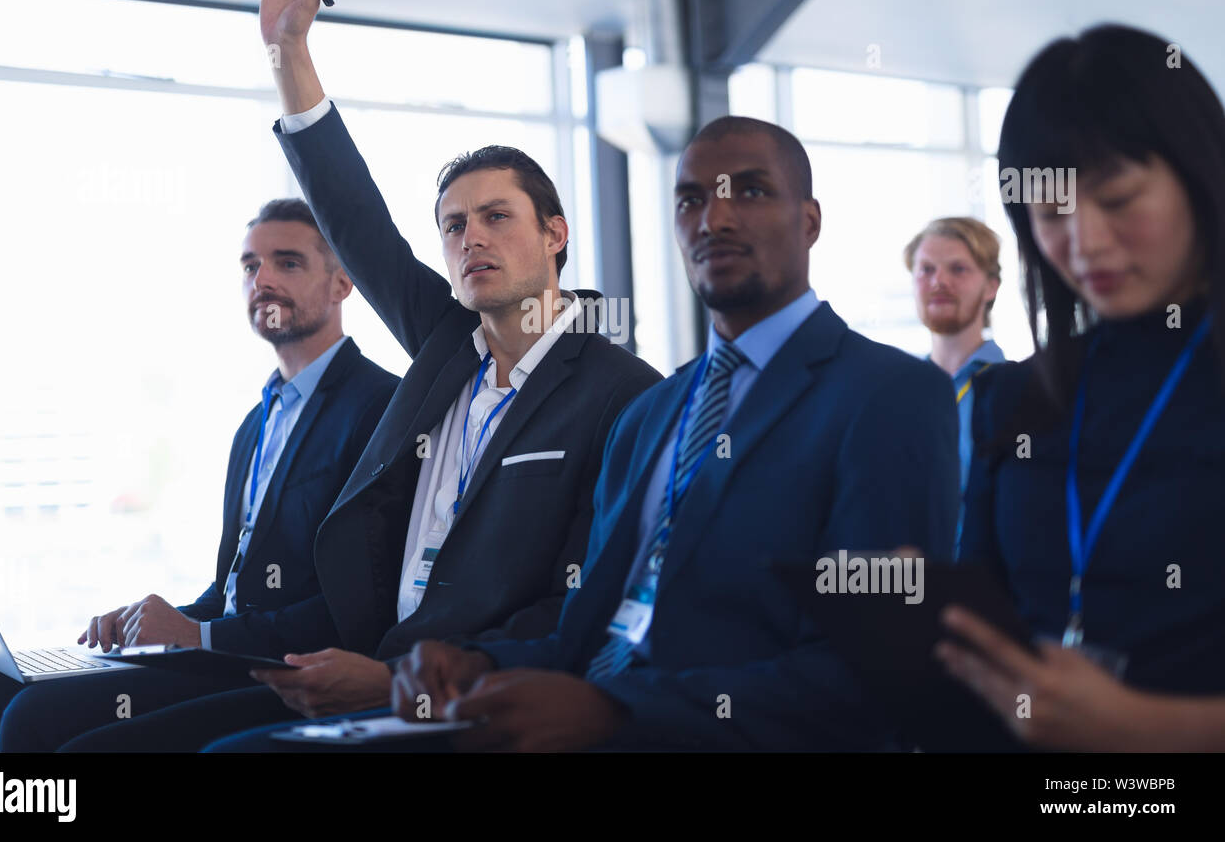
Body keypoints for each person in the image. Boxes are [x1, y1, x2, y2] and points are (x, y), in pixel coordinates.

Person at [52, 0, 661, 752]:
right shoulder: (447, 348)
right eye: (453, 226)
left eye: (496, 217)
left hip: (461, 696)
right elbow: (358, 220)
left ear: (555, 232)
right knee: (72, 736)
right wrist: (287, 52)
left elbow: (585, 604)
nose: (470, 239)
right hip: (352, 666)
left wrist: (406, 679)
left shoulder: (621, 391)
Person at [207, 112, 961, 753]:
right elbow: (584, 627)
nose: (715, 218)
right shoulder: (659, 417)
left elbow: (877, 676)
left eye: (749, 192)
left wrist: (612, 712)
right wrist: (465, 668)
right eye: (690, 199)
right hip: (549, 710)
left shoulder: (888, 396)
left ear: (810, 221)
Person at [0, 198, 399, 752]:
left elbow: (357, 606)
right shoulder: (257, 423)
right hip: (223, 649)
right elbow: (233, 591)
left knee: (35, 719)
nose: (262, 279)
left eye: (287, 262)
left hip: (281, 670)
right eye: (250, 266)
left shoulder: (381, 408)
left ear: (342, 282)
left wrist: (197, 635)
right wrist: (153, 624)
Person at [941, 23, 1225, 751]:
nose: (1084, 242)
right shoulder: (1018, 397)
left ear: (1200, 178)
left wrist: (1151, 731)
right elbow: (986, 624)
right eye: (1052, 212)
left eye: (1119, 198)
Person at [904, 216, 1008, 557]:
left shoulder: (1020, 391)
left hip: (987, 590)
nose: (939, 282)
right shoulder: (891, 391)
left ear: (991, 286)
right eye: (926, 269)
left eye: (958, 269)